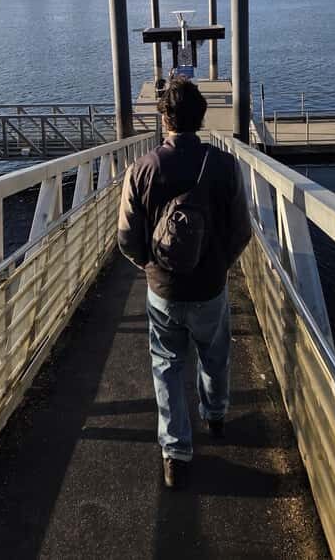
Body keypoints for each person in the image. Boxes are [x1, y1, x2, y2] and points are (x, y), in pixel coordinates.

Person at [117, 77, 251, 489]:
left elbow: (126, 236)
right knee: (215, 355)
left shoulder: (141, 169)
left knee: (167, 366)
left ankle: (176, 452)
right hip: (210, 287)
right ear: (202, 116)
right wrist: (220, 264)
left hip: (163, 291)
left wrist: (147, 264)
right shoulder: (225, 165)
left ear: (164, 118)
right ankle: (215, 416)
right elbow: (241, 230)